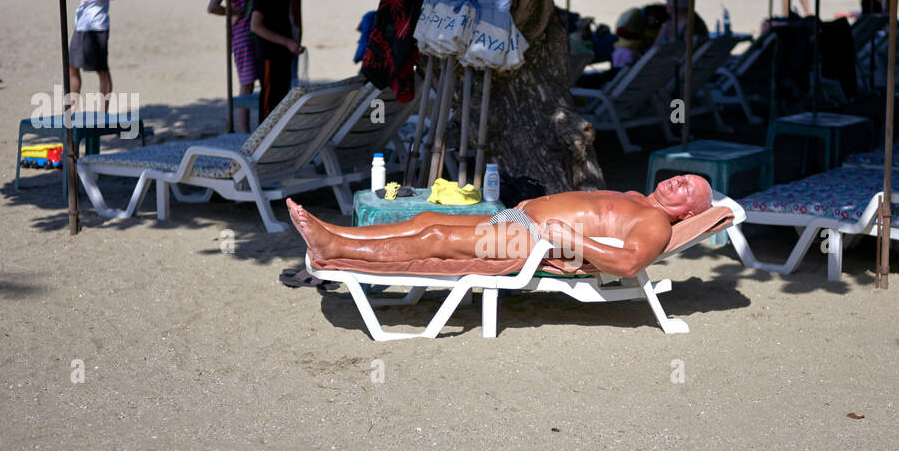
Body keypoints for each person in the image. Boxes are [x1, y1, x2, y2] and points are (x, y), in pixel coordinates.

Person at [288, 174, 713, 280]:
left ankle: (336, 251)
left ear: (688, 214)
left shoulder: (654, 221)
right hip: (521, 220)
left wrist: (570, 239)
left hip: (535, 243)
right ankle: (337, 235)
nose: (678, 181)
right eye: (682, 177)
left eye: (687, 189)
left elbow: (629, 263)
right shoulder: (636, 198)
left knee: (436, 240)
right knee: (425, 219)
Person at [207, 0, 263, 133]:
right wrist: (235, 11)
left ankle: (261, 127)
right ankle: (245, 131)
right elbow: (213, 6)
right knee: (247, 82)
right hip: (242, 35)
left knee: (262, 80)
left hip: (260, 33)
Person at [249, 0, 304, 121]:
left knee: (282, 101)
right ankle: (261, 145)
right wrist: (286, 42)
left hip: (286, 53)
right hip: (269, 54)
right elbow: (255, 26)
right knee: (269, 103)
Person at [611, 3, 667, 68]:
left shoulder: (658, 27)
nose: (653, 21)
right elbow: (619, 31)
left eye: (657, 19)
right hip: (625, 52)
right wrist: (642, 37)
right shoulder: (635, 15)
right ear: (649, 14)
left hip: (638, 55)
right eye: (653, 17)